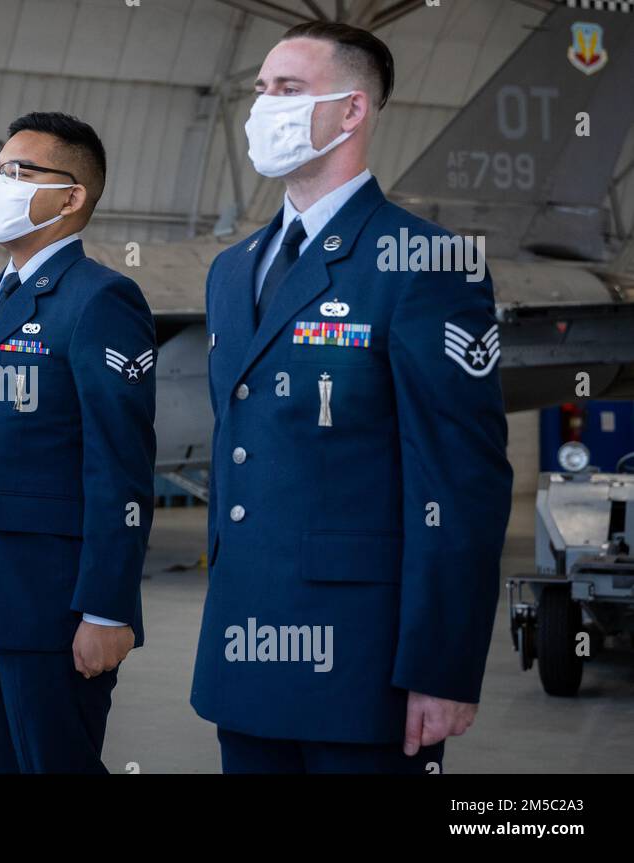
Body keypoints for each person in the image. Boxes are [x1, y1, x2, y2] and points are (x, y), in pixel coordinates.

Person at [191, 22, 513, 773]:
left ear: (352, 110)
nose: (264, 107)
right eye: (262, 89)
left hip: (363, 668)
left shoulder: (426, 262)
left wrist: (441, 665)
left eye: (290, 90)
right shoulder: (231, 271)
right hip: (244, 659)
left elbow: (461, 481)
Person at [0, 112, 157, 773]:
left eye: (19, 172)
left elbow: (119, 466)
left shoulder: (101, 300)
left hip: (50, 602)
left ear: (72, 196)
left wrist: (107, 607)